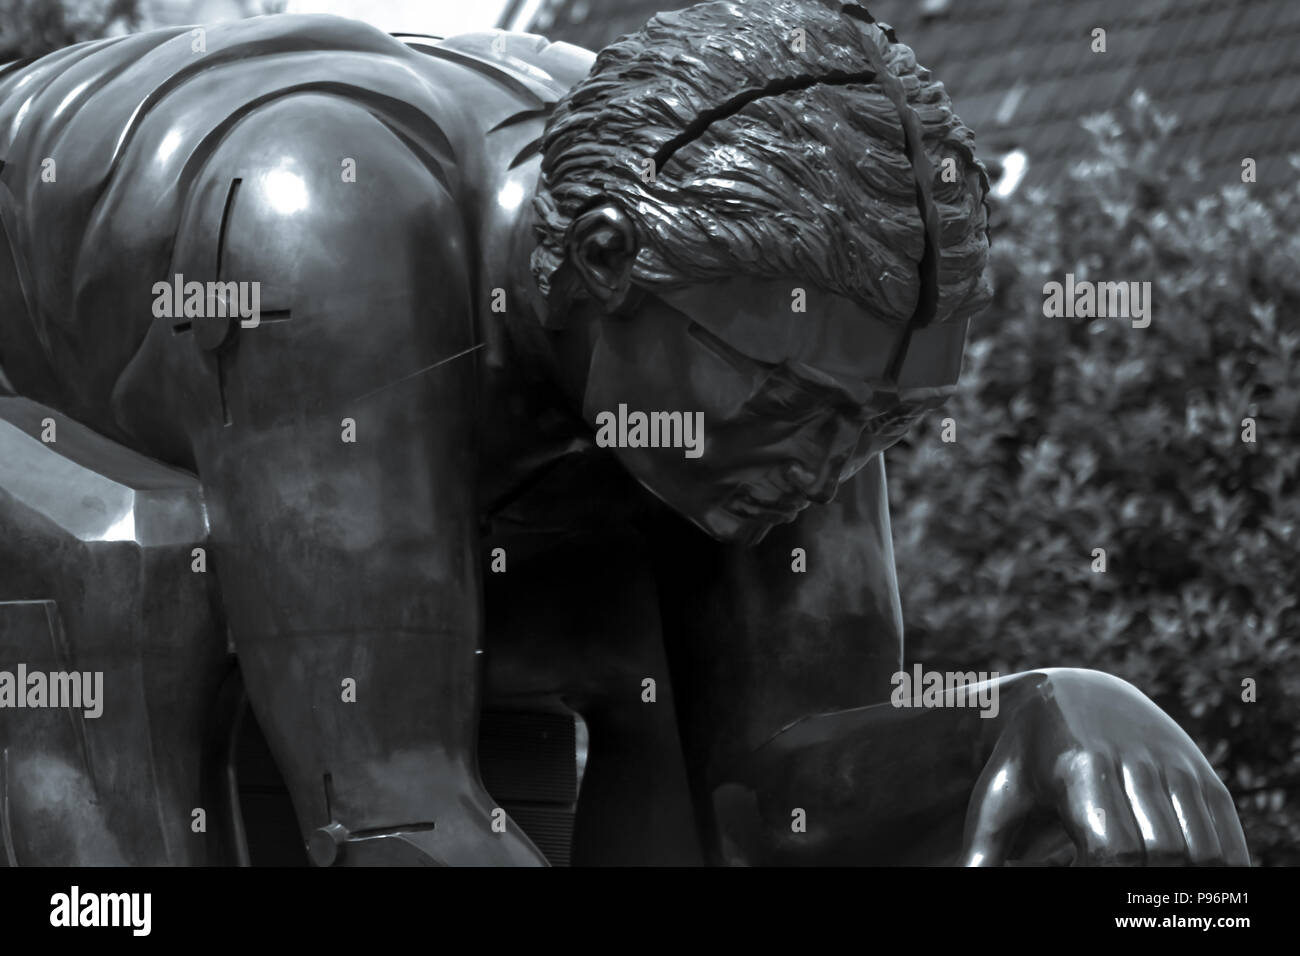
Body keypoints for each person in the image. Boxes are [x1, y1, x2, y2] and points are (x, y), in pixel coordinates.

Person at [0, 0, 1248, 865]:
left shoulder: (799, 342)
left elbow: (782, 790)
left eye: (882, 427)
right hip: (54, 398)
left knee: (639, 601)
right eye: (788, 406)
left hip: (479, 417)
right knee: (135, 565)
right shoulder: (319, 228)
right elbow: (383, 806)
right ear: (603, 261)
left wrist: (1032, 723)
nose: (824, 468)